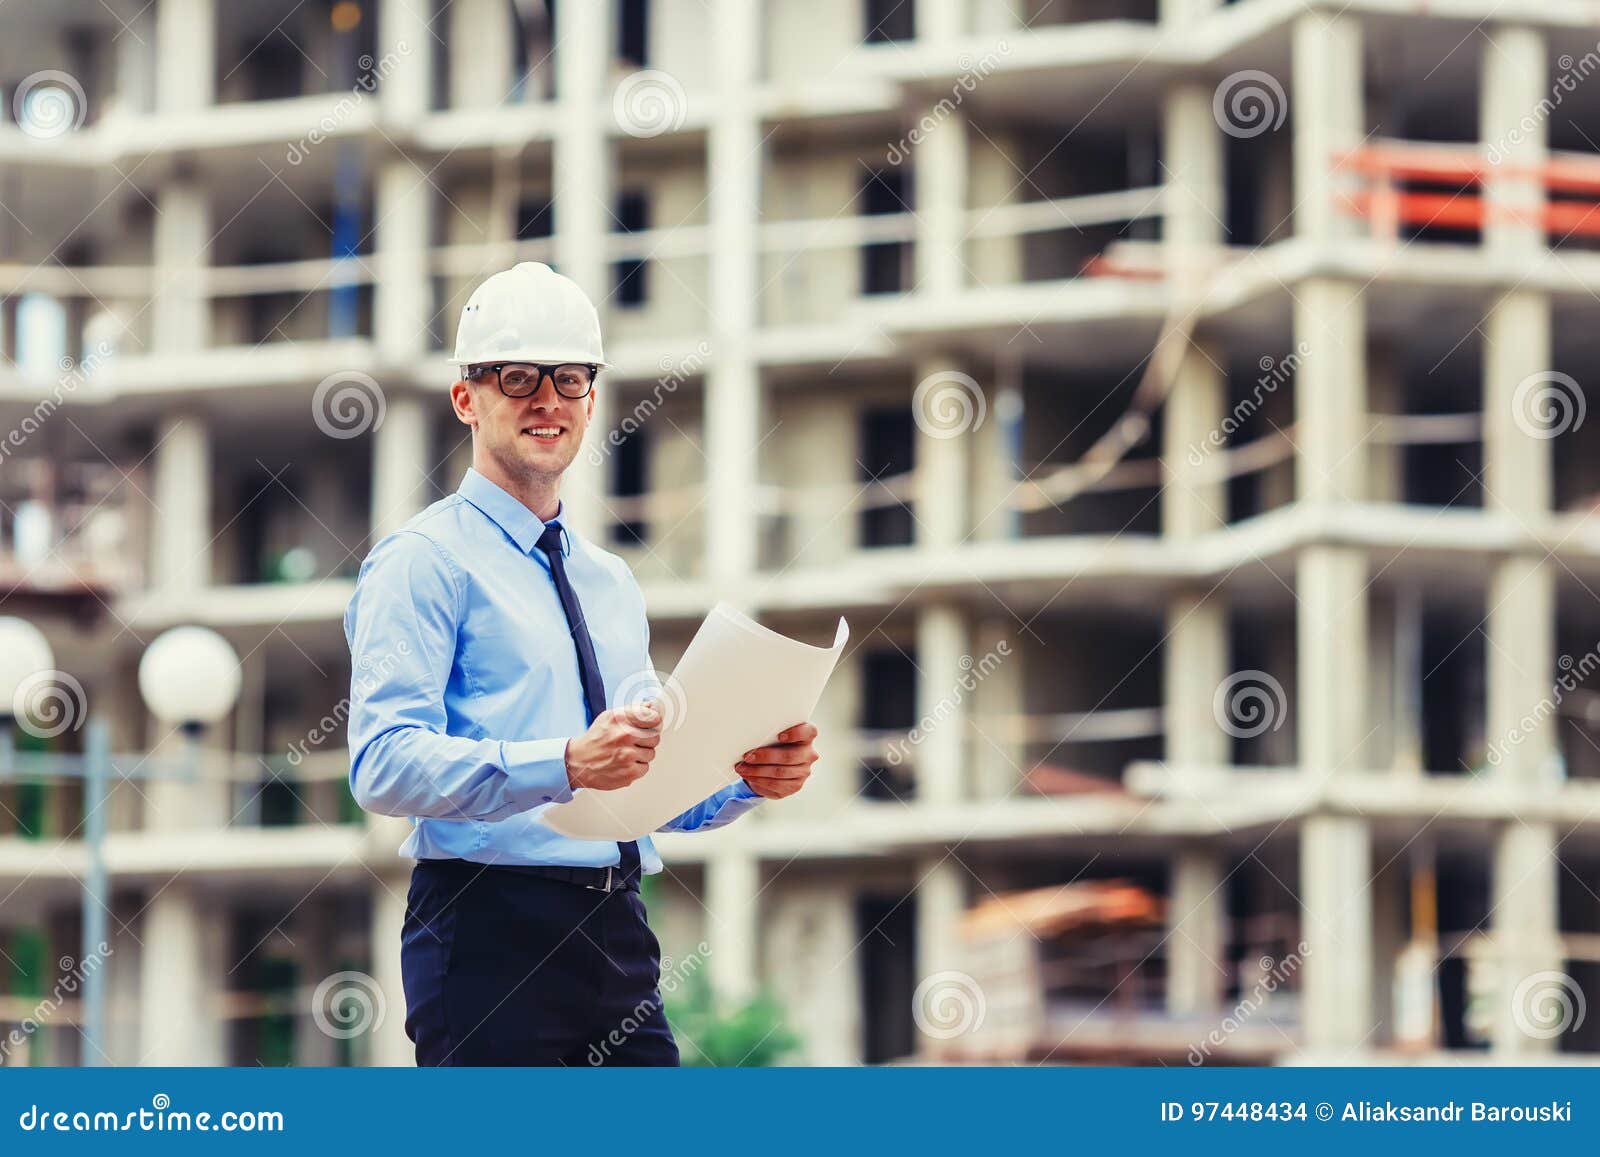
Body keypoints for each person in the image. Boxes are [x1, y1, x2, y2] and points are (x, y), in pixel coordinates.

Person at [343, 262, 820, 1066]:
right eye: (518, 376)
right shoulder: (422, 561)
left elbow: (632, 792)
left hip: (616, 933)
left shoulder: (610, 582)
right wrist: (565, 761)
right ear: (467, 398)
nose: (547, 400)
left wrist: (745, 779)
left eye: (569, 377)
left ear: (592, 397)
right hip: (486, 930)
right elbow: (381, 765)